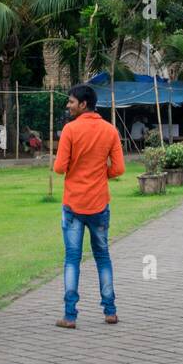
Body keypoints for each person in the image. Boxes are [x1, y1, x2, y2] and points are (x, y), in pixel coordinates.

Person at [53, 83, 125, 329]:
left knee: (72, 259)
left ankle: (70, 315)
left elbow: (59, 167)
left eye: (71, 101)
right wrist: (99, 172)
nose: (68, 105)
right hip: (99, 203)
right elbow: (118, 169)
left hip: (73, 204)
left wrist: (76, 167)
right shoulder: (110, 130)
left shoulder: (70, 130)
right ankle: (110, 311)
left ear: (83, 104)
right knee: (103, 257)